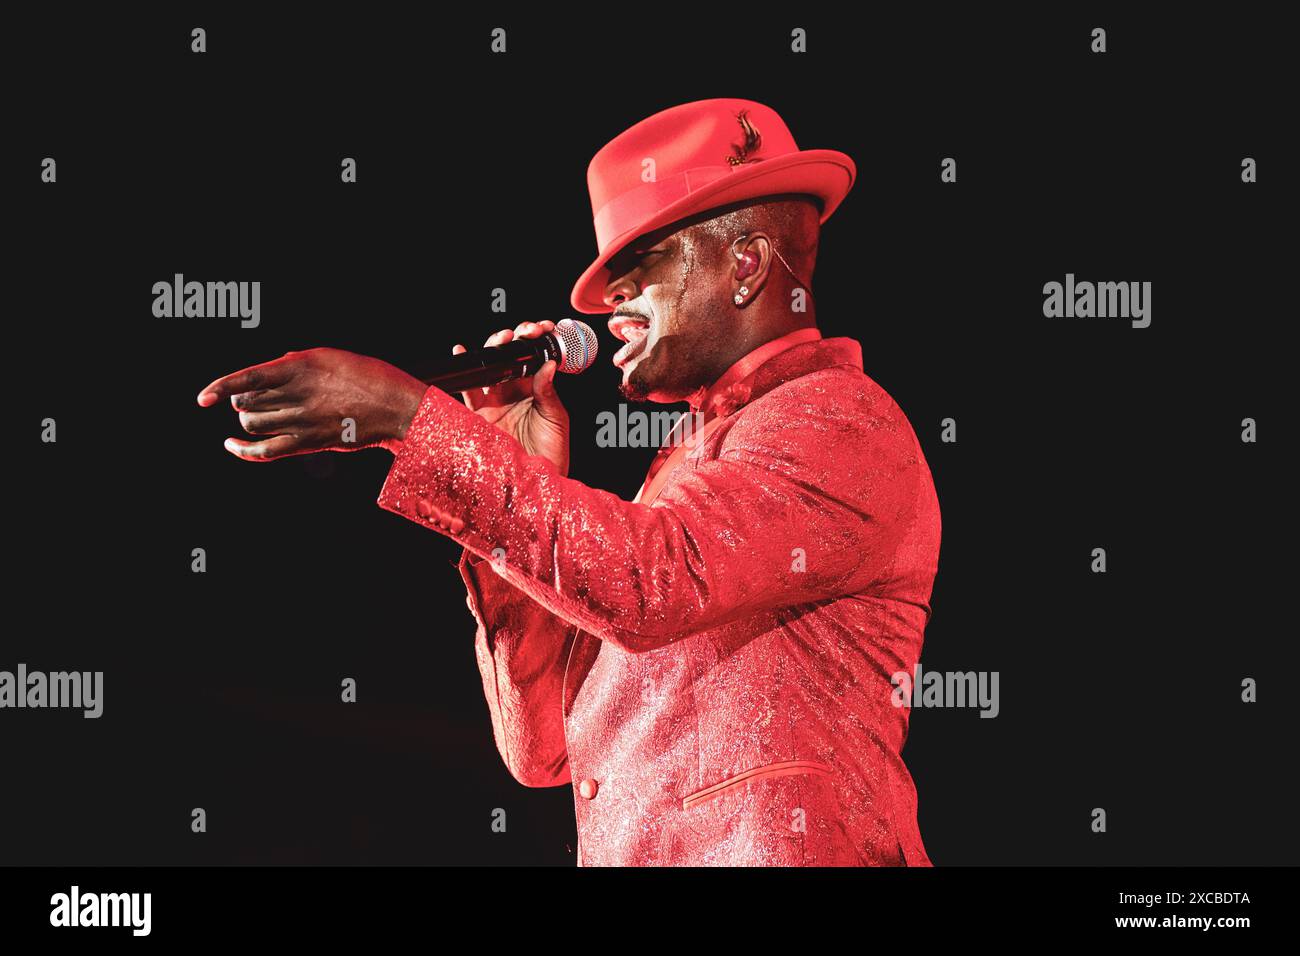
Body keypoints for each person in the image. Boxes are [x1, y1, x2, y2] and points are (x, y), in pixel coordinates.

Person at [197, 98, 941, 866]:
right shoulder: (690, 463)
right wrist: (514, 471)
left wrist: (408, 418)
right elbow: (541, 749)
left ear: (744, 264)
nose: (608, 293)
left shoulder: (836, 418)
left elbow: (646, 580)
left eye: (640, 258)